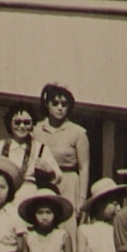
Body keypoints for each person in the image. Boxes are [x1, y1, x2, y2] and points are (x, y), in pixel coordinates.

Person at [0, 102, 63, 207]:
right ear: (9, 123)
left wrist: (49, 170)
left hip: (30, 198)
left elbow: (58, 177)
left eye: (27, 122)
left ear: (32, 124)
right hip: (3, 199)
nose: (22, 126)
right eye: (17, 122)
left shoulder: (40, 148)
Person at [34, 84, 90, 212]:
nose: (60, 108)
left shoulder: (78, 133)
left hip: (69, 183)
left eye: (64, 104)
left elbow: (84, 168)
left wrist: (81, 199)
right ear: (47, 104)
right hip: (44, 183)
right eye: (55, 103)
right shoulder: (36, 130)